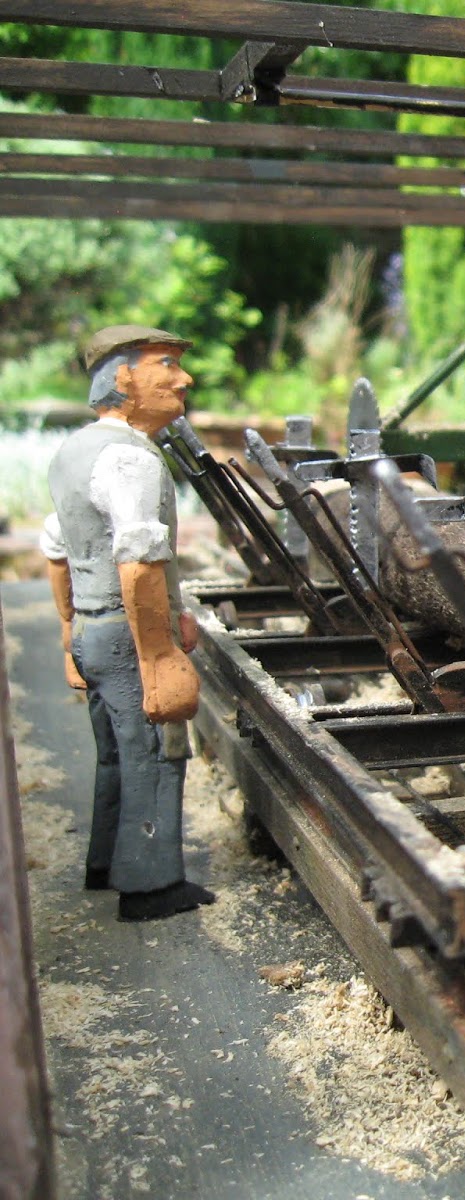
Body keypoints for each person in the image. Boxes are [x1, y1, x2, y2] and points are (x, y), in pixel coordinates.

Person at [39, 325, 215, 921]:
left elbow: (56, 551)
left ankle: (105, 863)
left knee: (114, 752)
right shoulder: (131, 458)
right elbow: (139, 564)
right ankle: (151, 886)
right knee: (157, 752)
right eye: (166, 364)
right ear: (122, 378)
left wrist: (70, 633)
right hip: (129, 632)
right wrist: (160, 654)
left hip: (94, 629)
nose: (183, 378)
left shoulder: (71, 453)